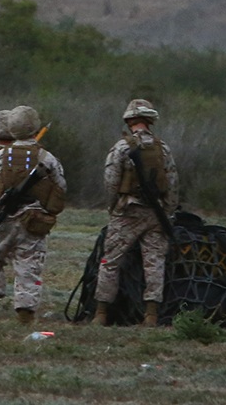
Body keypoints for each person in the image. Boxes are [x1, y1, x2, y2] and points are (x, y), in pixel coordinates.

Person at [0, 104, 66, 326]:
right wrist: (47, 210)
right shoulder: (46, 157)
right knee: (28, 267)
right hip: (32, 220)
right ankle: (25, 317)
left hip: (2, 221)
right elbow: (61, 187)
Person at [93, 97, 178, 327]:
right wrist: (167, 213)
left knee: (109, 261)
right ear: (150, 120)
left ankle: (101, 313)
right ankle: (151, 315)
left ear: (129, 120)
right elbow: (171, 184)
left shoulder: (121, 147)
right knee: (154, 262)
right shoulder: (163, 148)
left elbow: (111, 181)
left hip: (128, 212)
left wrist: (113, 208)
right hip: (156, 214)